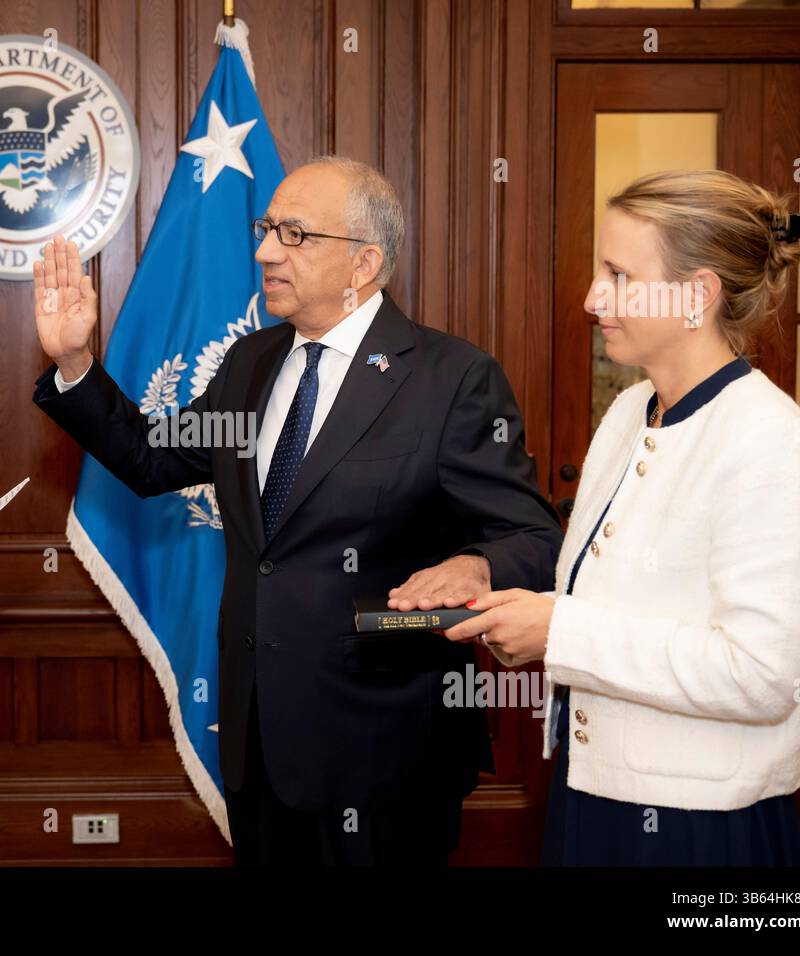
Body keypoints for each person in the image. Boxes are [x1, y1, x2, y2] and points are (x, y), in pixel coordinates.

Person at [31, 156, 562, 865]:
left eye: (295, 235)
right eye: (266, 228)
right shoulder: (250, 363)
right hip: (258, 744)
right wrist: (75, 364)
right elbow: (154, 459)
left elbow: (532, 537)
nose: (265, 251)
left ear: (364, 262)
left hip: (386, 755)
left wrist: (473, 562)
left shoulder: (452, 380)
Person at [444, 169, 800, 865]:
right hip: (594, 791)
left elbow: (762, 675)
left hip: (699, 825)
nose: (592, 297)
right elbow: (622, 600)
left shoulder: (769, 441)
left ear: (697, 295)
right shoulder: (632, 411)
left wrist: (560, 631)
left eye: (620, 276)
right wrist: (531, 616)